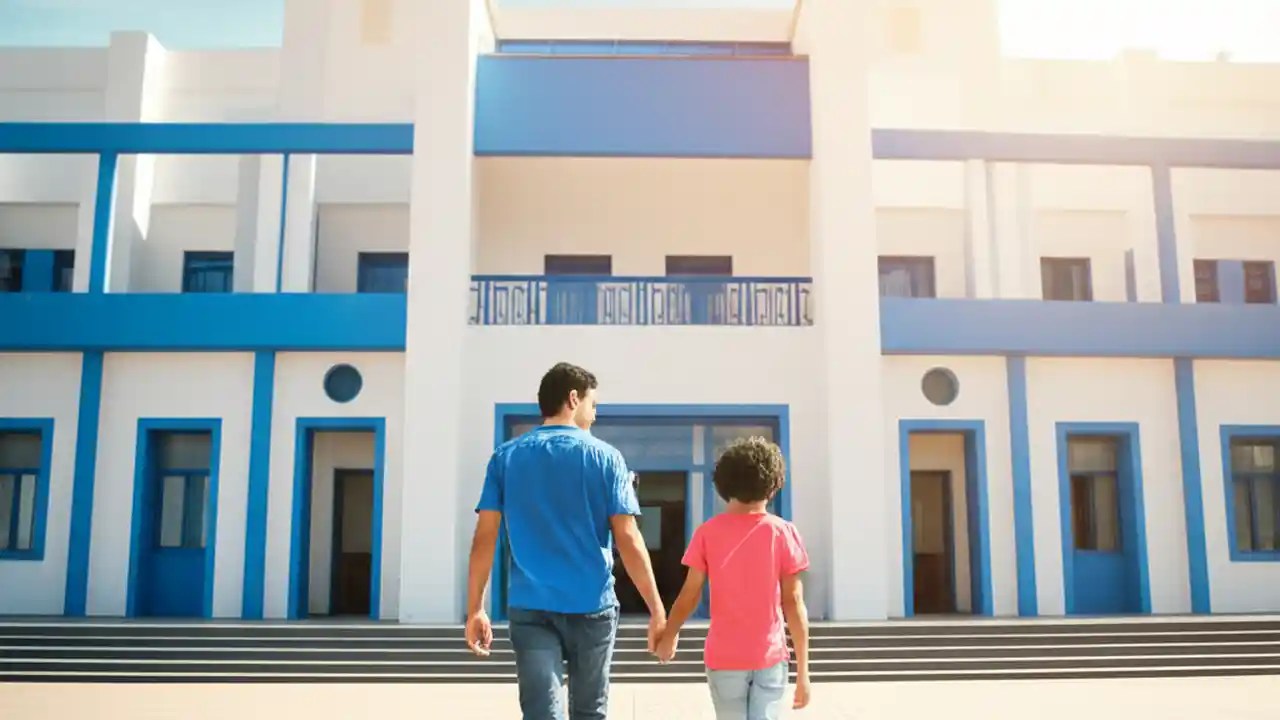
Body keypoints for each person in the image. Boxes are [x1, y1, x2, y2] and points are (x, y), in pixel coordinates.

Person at [464, 362, 665, 720]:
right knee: (590, 712)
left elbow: (484, 538)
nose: (595, 413)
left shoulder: (505, 457)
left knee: (541, 712)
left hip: (531, 608)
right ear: (573, 398)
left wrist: (476, 608)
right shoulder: (606, 458)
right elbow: (629, 539)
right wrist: (657, 609)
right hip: (593, 606)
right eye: (593, 404)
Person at [656, 437, 811, 719]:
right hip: (770, 657)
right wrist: (804, 672)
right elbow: (794, 602)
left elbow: (690, 594)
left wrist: (669, 635)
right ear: (773, 483)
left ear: (723, 483)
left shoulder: (708, 532)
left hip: (724, 657)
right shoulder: (783, 532)